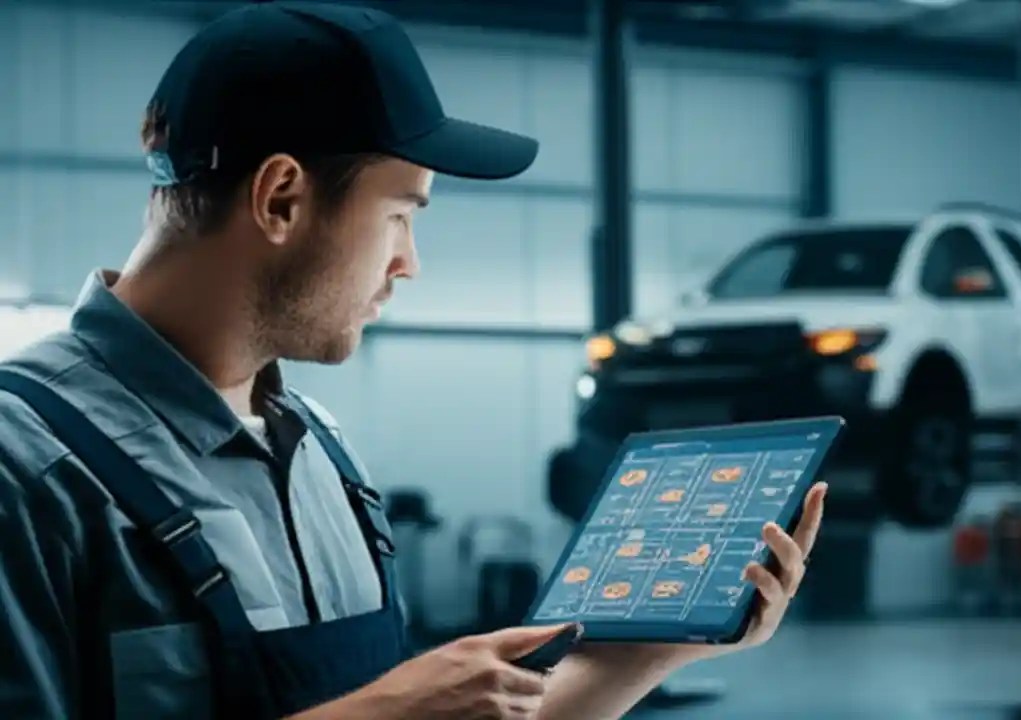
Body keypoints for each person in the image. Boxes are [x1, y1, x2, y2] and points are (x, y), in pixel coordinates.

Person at [0, 3, 827, 719]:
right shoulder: (25, 472)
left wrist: (664, 643)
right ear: (280, 199)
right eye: (399, 215)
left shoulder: (322, 455)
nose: (409, 262)